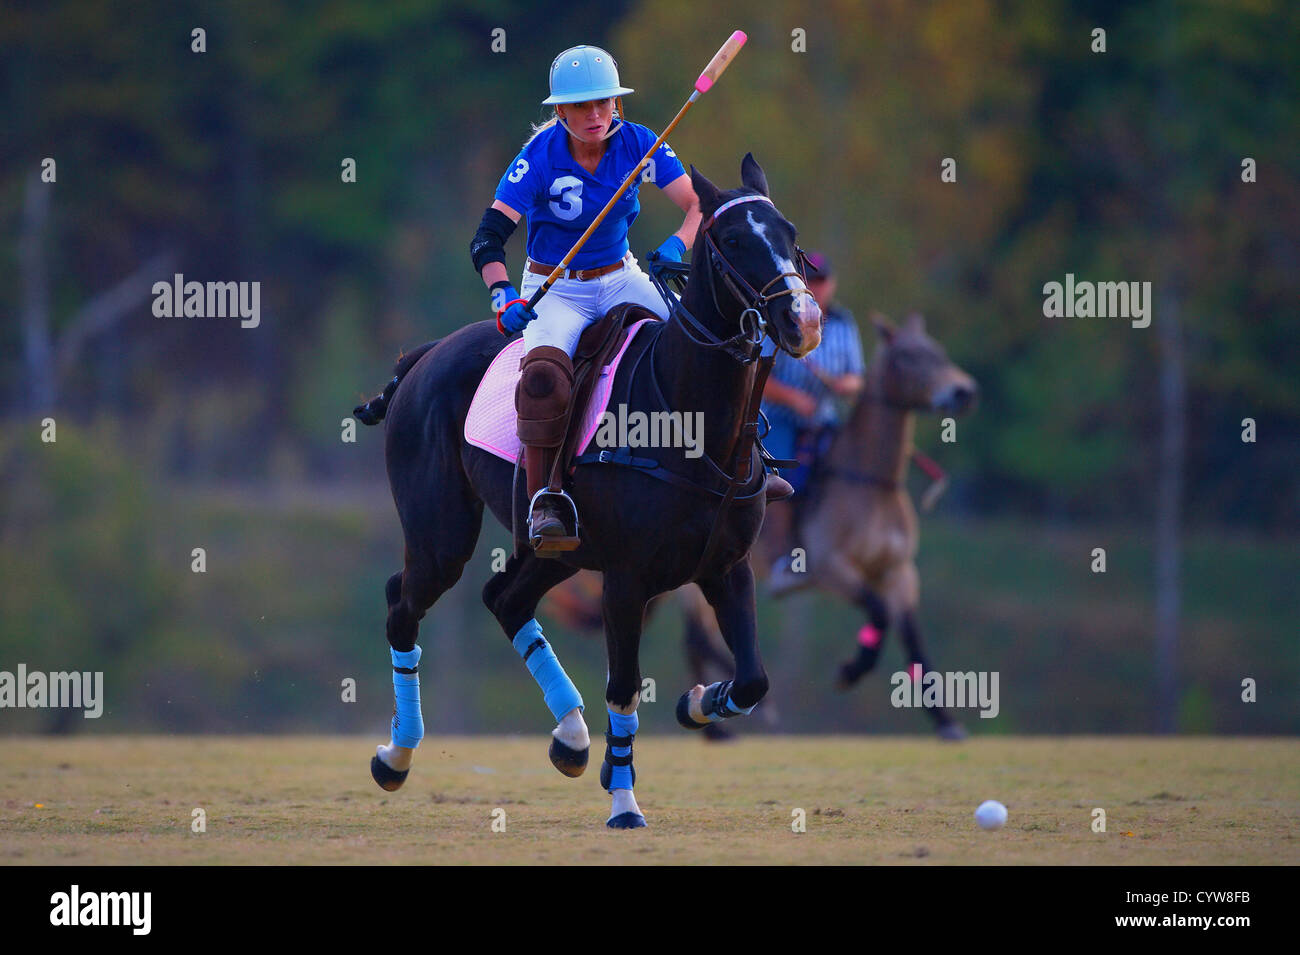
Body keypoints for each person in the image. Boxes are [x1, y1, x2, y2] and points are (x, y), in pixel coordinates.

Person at [760, 252, 865, 562]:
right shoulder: (781, 318)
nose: (817, 288)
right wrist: (794, 399)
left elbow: (857, 377)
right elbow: (759, 376)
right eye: (812, 281)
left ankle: (839, 542)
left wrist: (848, 384)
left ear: (831, 284)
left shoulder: (845, 324)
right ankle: (781, 554)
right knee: (781, 481)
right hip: (779, 419)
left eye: (823, 281)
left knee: (848, 471)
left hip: (824, 418)